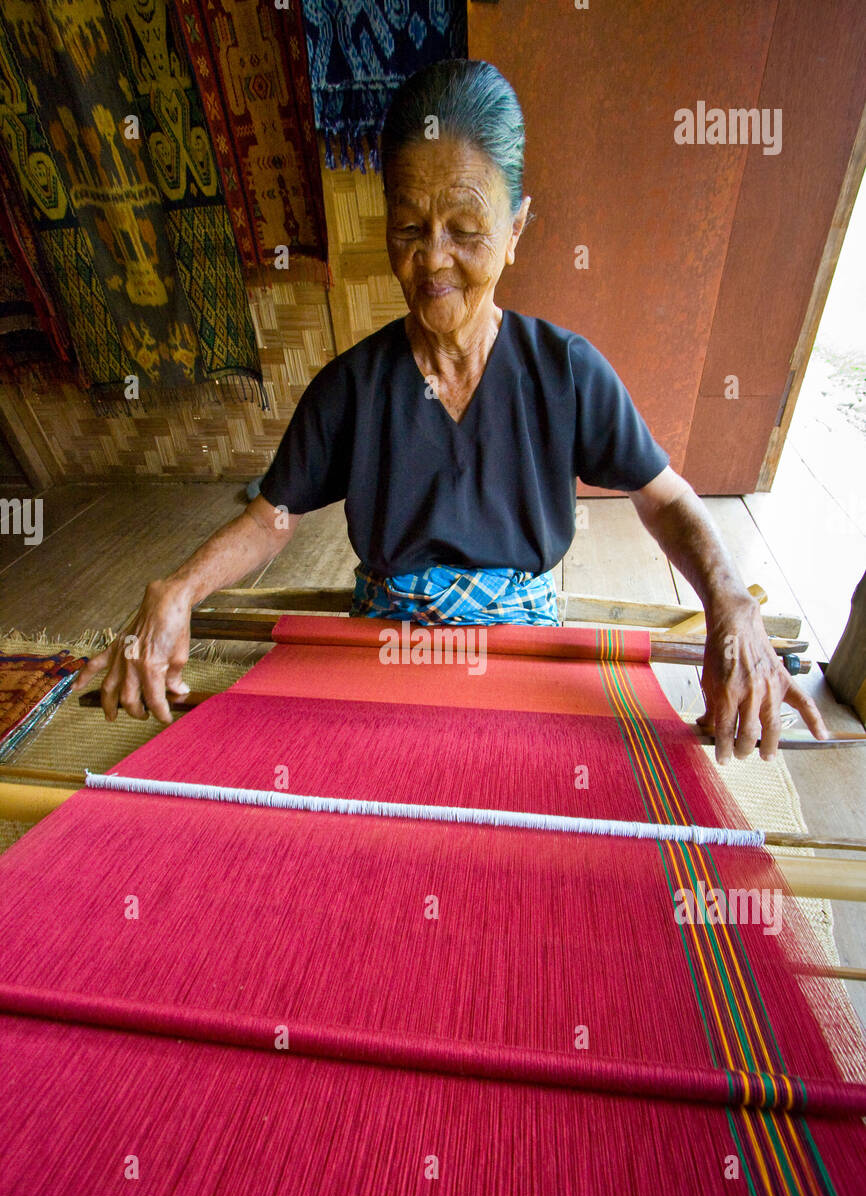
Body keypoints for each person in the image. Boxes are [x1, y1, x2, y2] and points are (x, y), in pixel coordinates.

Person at [73, 59, 827, 764]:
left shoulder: (563, 372)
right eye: (408, 228)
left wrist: (730, 601)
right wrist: (177, 590)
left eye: (465, 232)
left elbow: (664, 500)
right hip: (383, 654)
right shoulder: (351, 387)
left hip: (526, 657)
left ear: (517, 231)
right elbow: (273, 518)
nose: (432, 260)